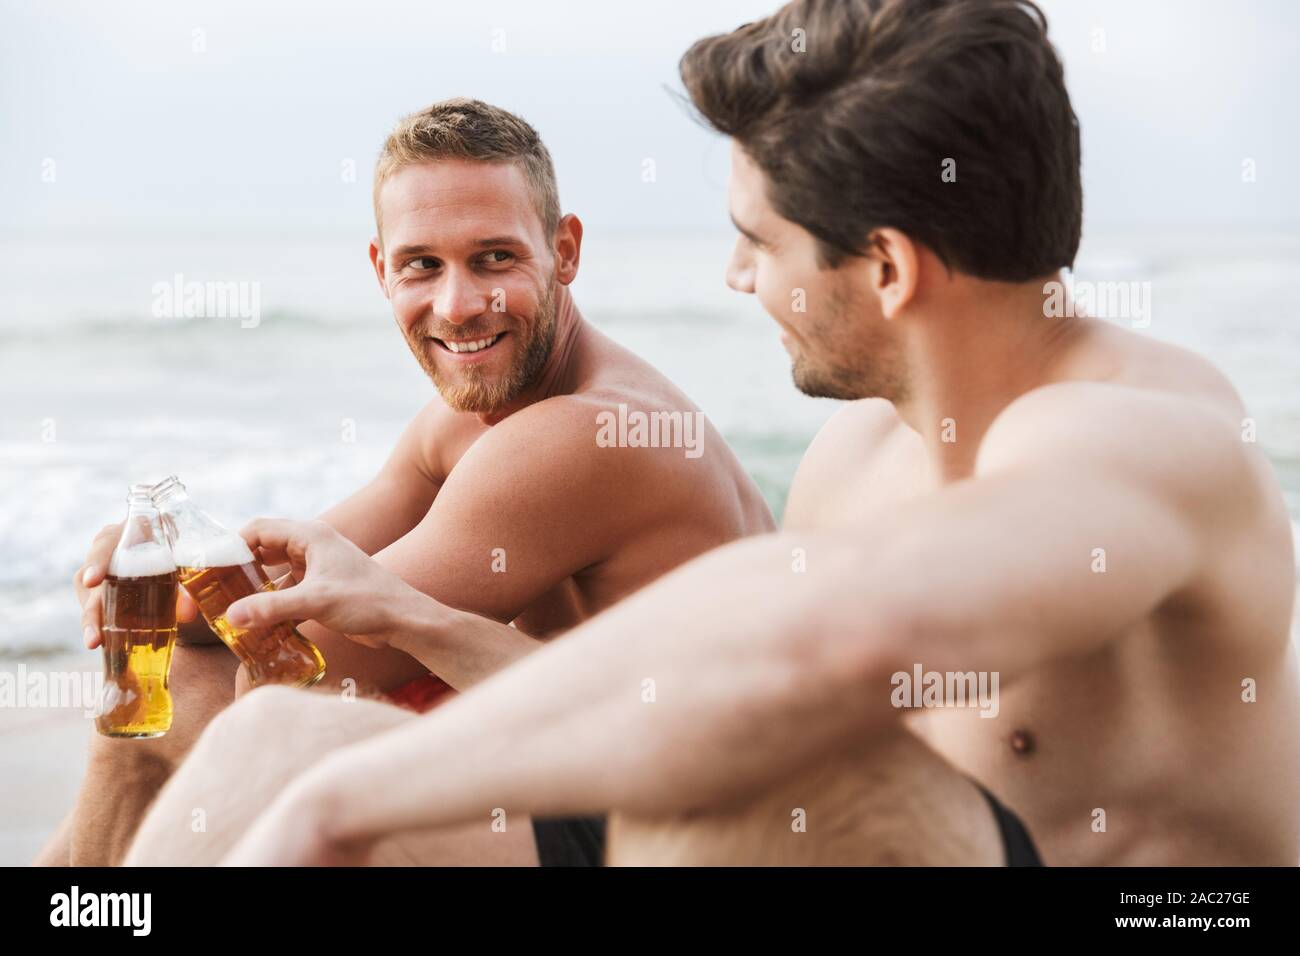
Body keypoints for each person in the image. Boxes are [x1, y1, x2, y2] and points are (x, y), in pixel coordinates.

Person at [126, 0, 1298, 868]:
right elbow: (710, 686)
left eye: (759, 239)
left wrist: (348, 809)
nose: (735, 277)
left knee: (748, 796)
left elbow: (823, 643)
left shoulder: (1135, 441)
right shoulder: (857, 458)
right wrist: (388, 677)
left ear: (883, 266)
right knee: (282, 738)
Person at [38, 98, 773, 867]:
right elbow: (281, 591)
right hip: (584, 760)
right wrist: (153, 564)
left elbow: (312, 657)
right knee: (174, 693)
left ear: (565, 251)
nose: (456, 306)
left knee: (184, 701)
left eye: (495, 259)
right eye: (422, 264)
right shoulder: (466, 420)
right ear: (379, 269)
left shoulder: (580, 437)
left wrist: (181, 608)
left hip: (679, 823)